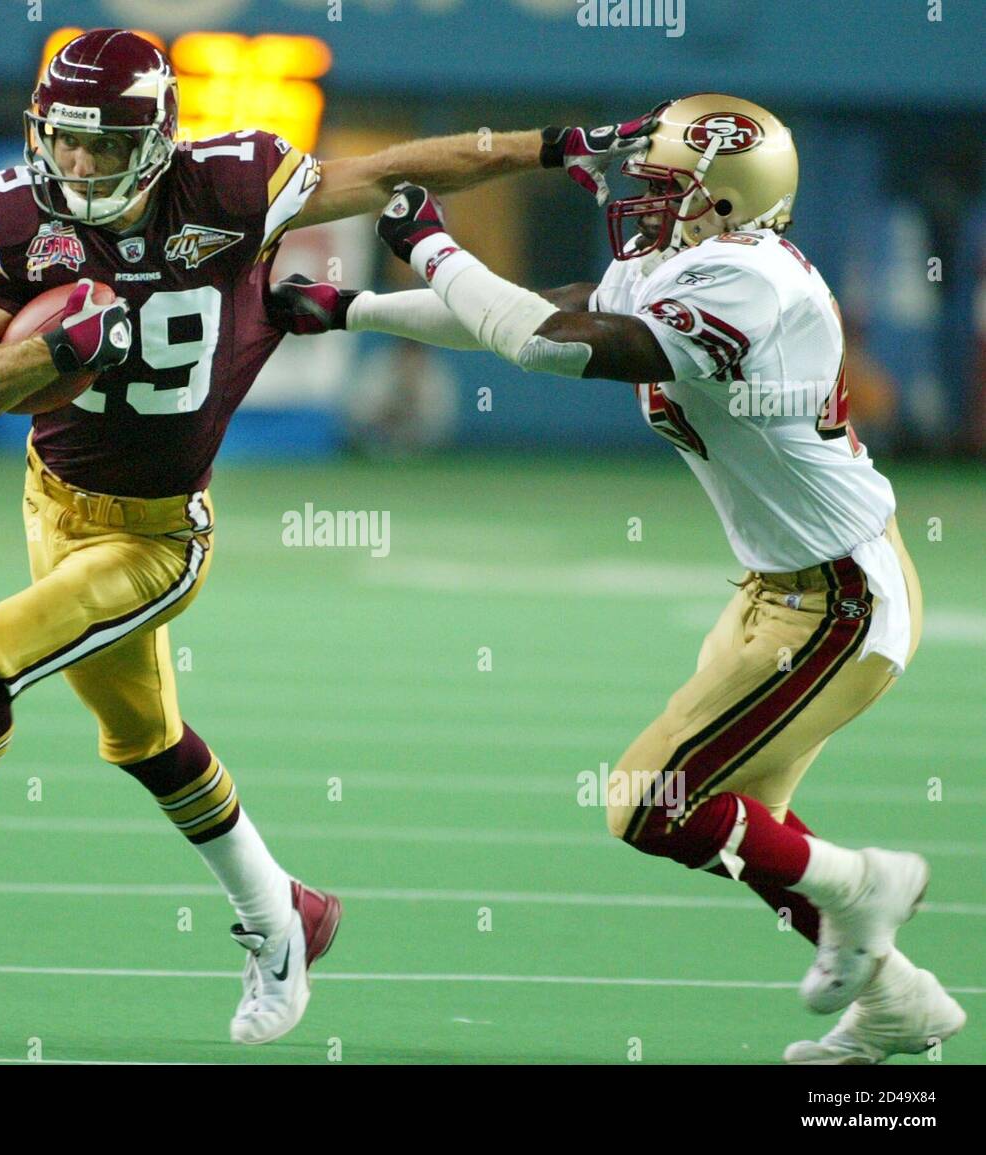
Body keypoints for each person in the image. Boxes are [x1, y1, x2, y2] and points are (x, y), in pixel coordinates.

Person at [0, 28, 597, 1046]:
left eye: (103, 142)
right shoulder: (5, 212)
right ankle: (287, 918)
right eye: (65, 140)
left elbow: (393, 172)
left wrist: (543, 145)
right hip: (52, 503)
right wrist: (54, 349)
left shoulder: (233, 188)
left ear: (156, 137)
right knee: (148, 743)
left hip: (153, 540)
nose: (79, 164)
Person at [272, 94, 966, 1064]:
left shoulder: (748, 284)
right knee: (743, 819)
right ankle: (898, 999)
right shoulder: (682, 260)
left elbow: (545, 346)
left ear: (726, 200)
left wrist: (431, 243)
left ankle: (863, 885)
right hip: (782, 589)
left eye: (665, 187)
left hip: (841, 600)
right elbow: (526, 313)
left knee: (650, 800)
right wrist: (352, 309)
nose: (639, 203)